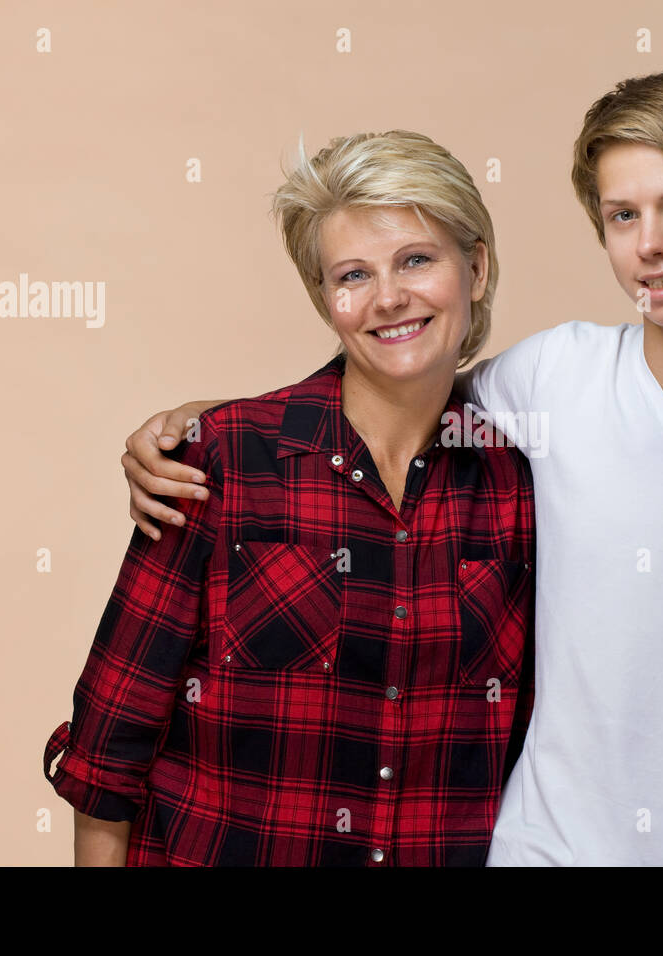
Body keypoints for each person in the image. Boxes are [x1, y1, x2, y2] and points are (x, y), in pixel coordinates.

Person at [121, 67, 663, 867]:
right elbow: (388, 387)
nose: (651, 244)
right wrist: (203, 423)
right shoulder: (552, 380)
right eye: (621, 215)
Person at [43, 129, 537, 866]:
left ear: (477, 266)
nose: (388, 297)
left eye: (416, 260)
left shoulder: (519, 488)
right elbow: (108, 753)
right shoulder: (222, 459)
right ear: (326, 299)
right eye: (352, 275)